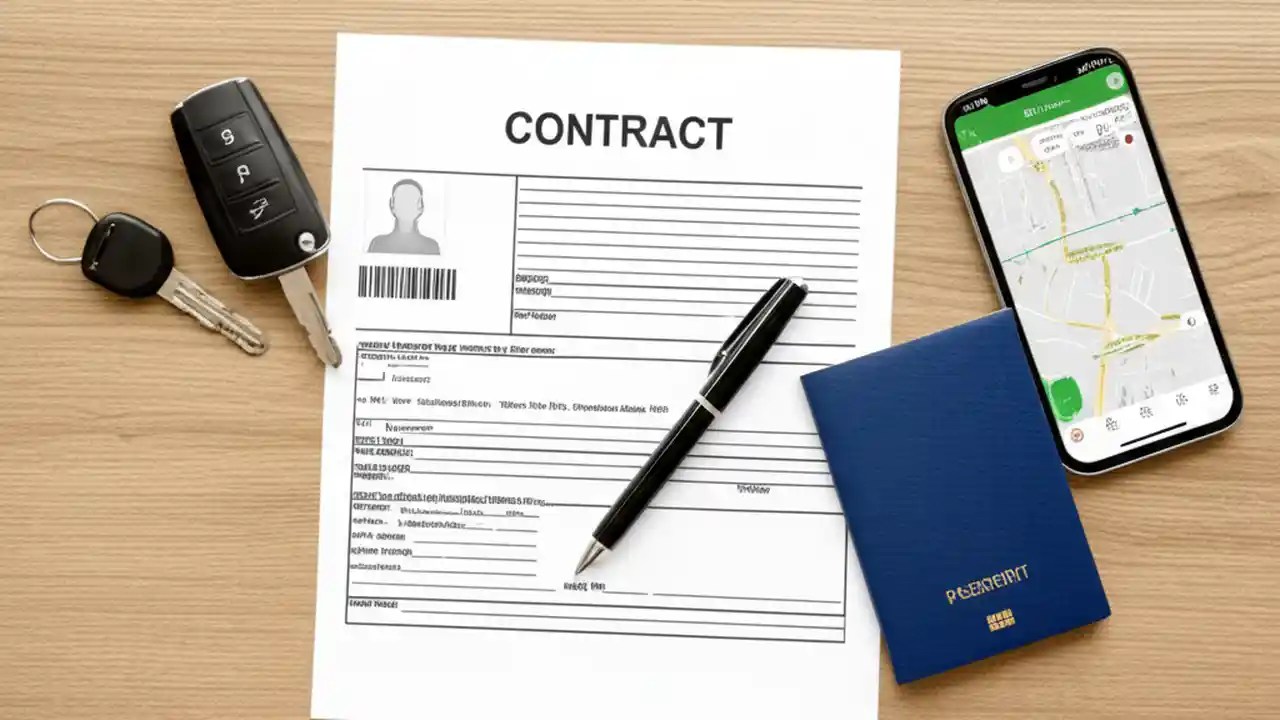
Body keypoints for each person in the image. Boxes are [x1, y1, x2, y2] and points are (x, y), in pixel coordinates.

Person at [368, 179, 440, 255]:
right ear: (392, 205)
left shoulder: (431, 246)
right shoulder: (378, 244)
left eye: (411, 200)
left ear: (421, 207)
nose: (406, 205)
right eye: (401, 199)